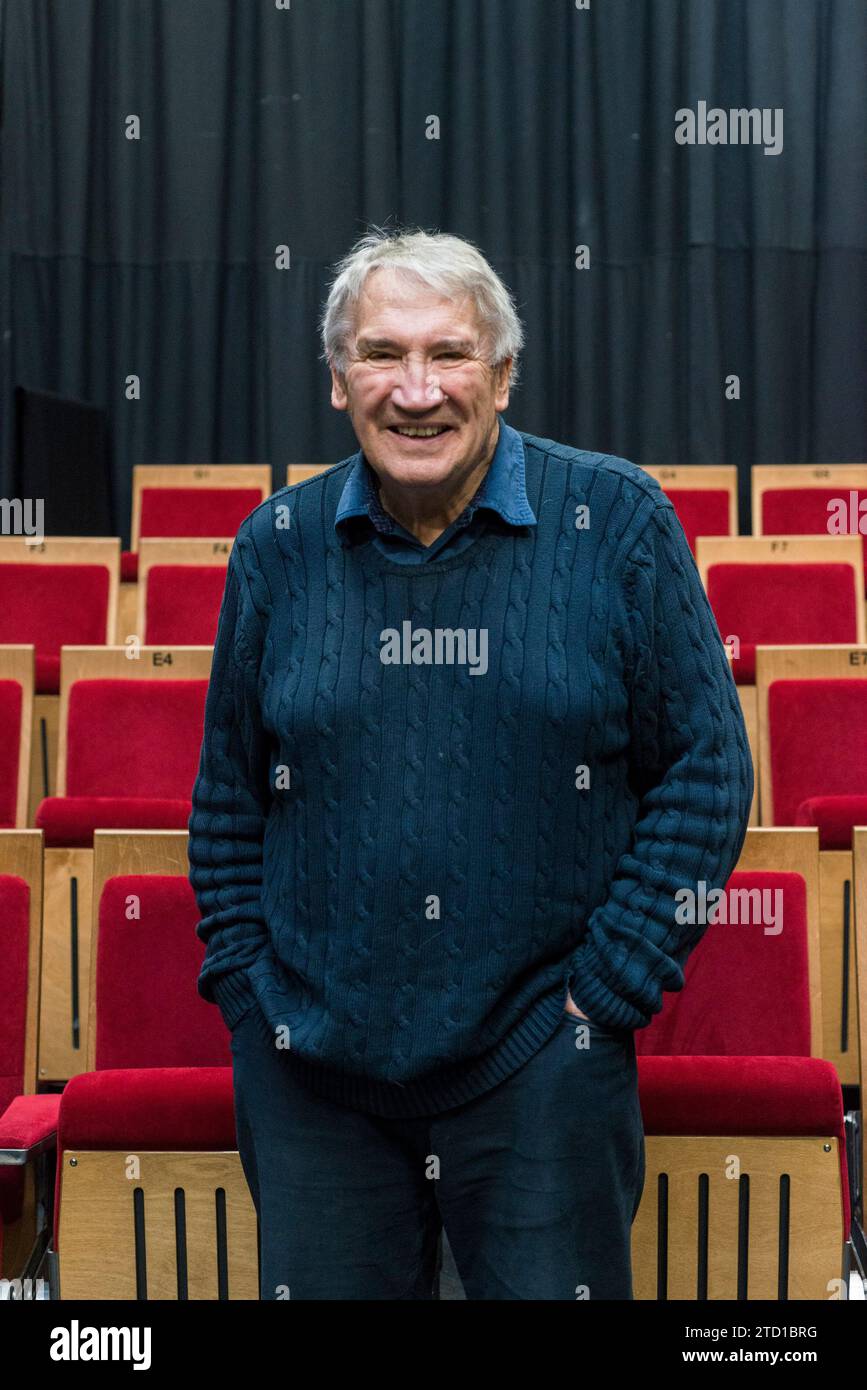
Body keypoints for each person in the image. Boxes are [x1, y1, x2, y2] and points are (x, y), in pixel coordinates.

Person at [188, 227, 753, 1300]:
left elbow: (708, 773)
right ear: (338, 380)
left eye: (448, 354)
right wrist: (248, 997)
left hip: (545, 1061)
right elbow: (227, 799)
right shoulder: (276, 544)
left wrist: (607, 990)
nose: (415, 390)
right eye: (382, 354)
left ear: (503, 373)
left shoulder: (618, 521)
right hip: (314, 1076)